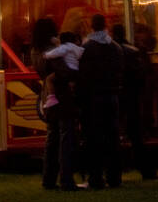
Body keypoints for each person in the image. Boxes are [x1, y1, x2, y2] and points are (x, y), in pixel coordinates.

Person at [77, 14, 124, 189]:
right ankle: (114, 176)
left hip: (93, 97)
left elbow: (82, 75)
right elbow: (120, 70)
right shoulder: (115, 47)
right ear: (105, 26)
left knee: (93, 138)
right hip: (111, 95)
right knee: (112, 137)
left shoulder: (86, 48)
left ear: (91, 26)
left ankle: (95, 177)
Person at [112, 22, 158, 179]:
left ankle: (115, 172)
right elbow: (141, 75)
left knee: (114, 133)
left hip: (116, 96)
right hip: (131, 96)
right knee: (136, 134)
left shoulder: (111, 51)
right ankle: (146, 170)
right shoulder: (132, 51)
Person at [41, 56, 80, 191]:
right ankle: (66, 180)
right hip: (62, 105)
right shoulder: (60, 63)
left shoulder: (45, 55)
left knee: (52, 141)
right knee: (65, 141)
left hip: (52, 105)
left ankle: (49, 180)